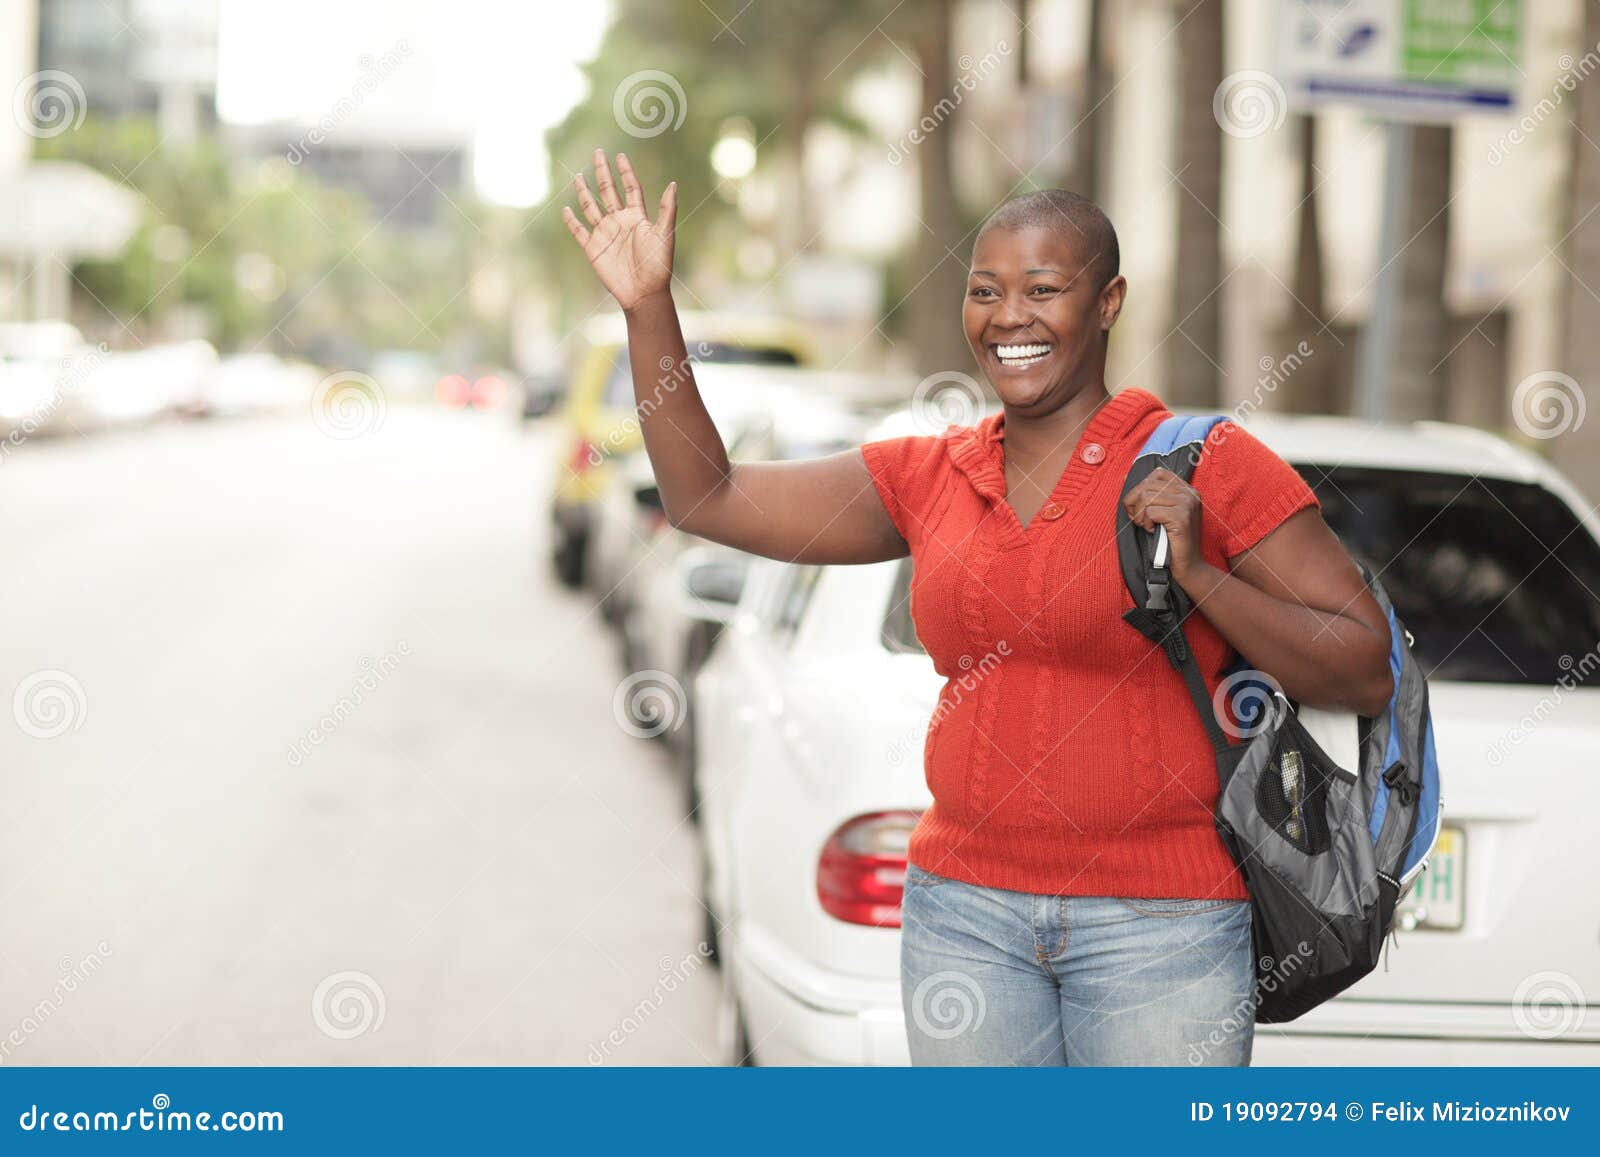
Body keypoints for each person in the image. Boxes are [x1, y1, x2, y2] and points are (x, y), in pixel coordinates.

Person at [562, 149, 1394, 1066]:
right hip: (966, 919)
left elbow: (1362, 664)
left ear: (1108, 302)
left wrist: (1202, 574)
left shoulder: (1208, 463)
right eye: (985, 290)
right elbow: (705, 496)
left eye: (1043, 289)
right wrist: (648, 309)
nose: (1010, 318)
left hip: (1163, 926)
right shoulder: (929, 473)